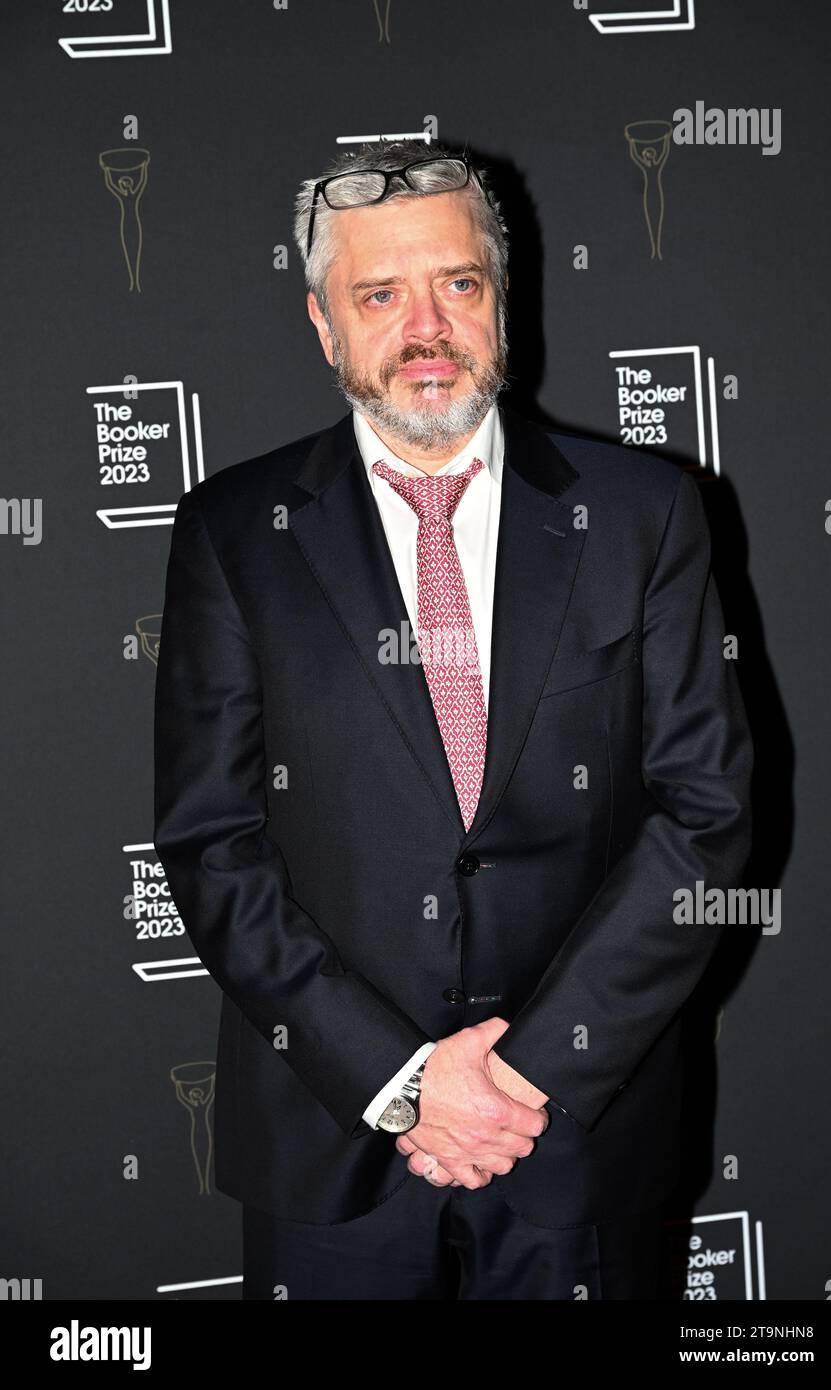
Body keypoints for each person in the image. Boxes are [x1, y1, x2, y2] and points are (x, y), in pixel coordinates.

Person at [153, 137, 753, 1300]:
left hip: (579, 1135)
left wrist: (523, 1075)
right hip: (334, 1141)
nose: (425, 326)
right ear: (326, 324)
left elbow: (708, 814)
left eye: (457, 284)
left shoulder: (645, 515)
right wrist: (402, 1078)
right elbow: (211, 838)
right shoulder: (233, 533)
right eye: (380, 294)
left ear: (502, 302)